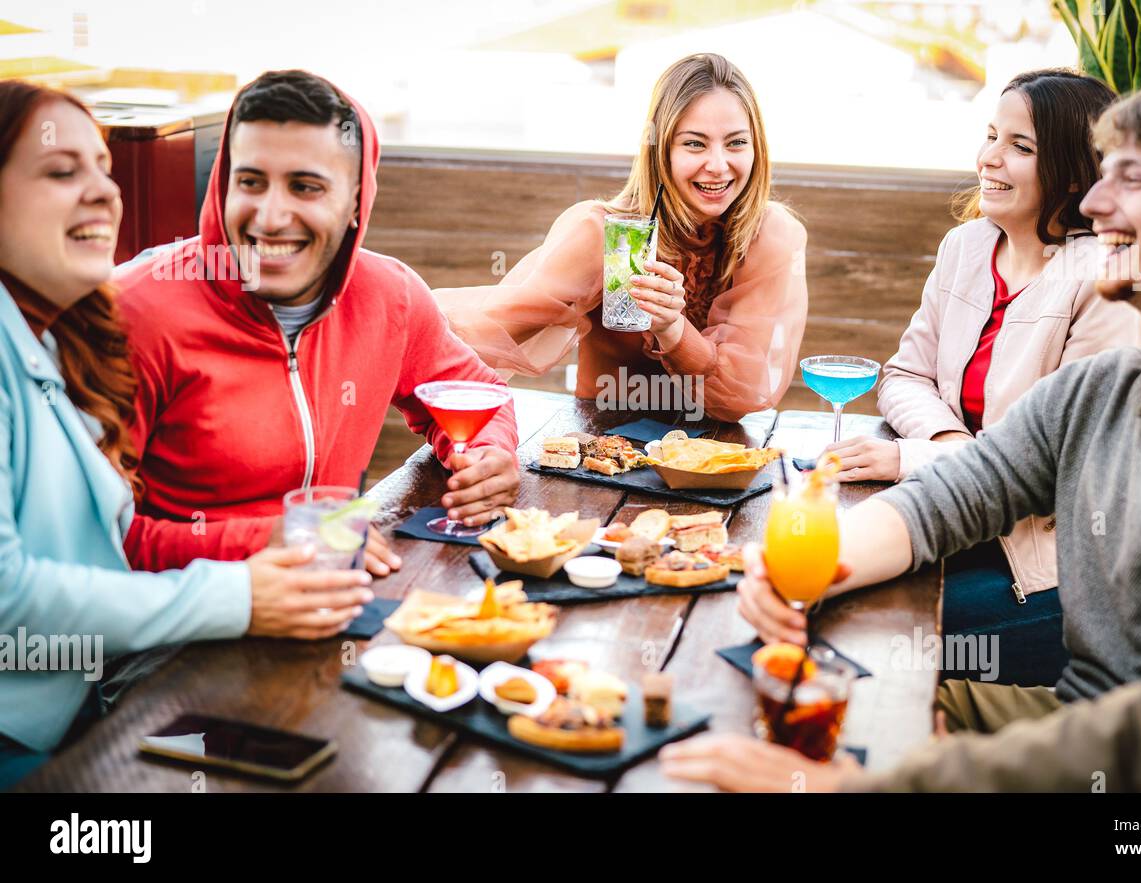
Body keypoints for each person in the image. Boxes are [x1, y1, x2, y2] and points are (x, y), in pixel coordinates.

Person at [733, 70, 1141, 734]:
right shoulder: (1094, 392)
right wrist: (797, 569)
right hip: (1073, 716)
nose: (1093, 205)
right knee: (821, 700)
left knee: (863, 707)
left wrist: (948, 771)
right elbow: (941, 502)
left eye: (1134, 180)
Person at [0, 81, 373, 790]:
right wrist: (238, 590)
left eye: (104, 170)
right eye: (60, 171)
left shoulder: (56, 339)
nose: (103, 194)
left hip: (78, 709)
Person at [114, 70, 520, 575]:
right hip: (172, 636)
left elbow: (479, 392)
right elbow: (81, 541)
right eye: (250, 182)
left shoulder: (390, 294)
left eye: (304, 187)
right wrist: (262, 540)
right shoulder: (129, 311)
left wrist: (487, 456)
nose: (270, 215)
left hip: (335, 605)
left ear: (355, 202)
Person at [827, 70, 1141, 687]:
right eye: (991, 135)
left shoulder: (1106, 284)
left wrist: (914, 460)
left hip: (1050, 574)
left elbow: (1056, 469)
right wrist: (946, 450)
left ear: (1077, 175)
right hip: (954, 515)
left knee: (868, 636)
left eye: (1020, 147)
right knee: (807, 589)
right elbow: (903, 375)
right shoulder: (967, 246)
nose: (989, 158)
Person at [431, 52, 808, 423]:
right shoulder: (607, 234)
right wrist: (400, 323)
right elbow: (491, 335)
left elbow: (740, 397)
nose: (718, 164)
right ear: (661, 150)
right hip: (605, 451)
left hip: (717, 459)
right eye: (694, 143)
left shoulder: (769, 236)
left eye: (736, 143)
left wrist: (672, 328)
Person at [661, 626, 1141, 792]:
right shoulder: (1105, 387)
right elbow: (958, 489)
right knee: (896, 691)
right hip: (1091, 710)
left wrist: (881, 785)